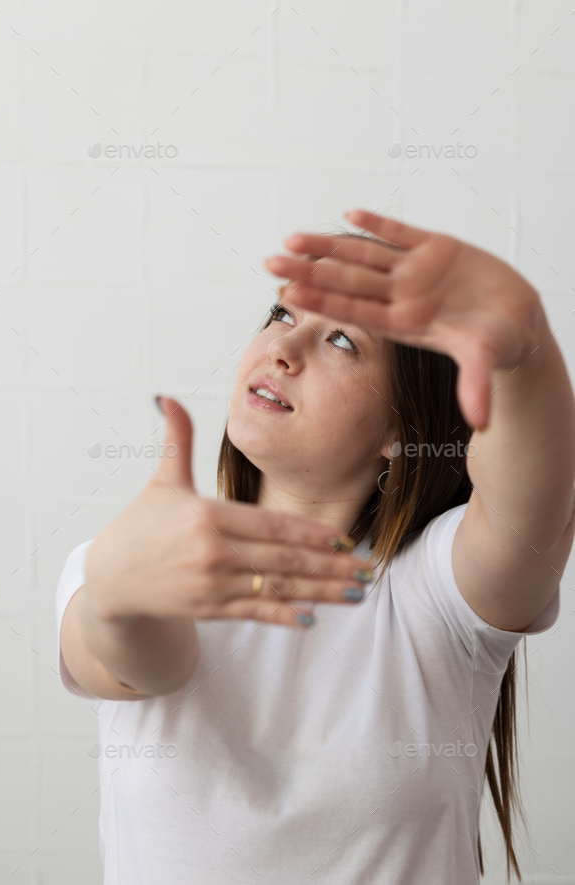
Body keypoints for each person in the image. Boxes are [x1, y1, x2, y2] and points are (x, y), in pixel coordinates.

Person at [56, 209, 575, 885]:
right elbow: (146, 659)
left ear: (400, 427)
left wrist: (524, 342)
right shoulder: (122, 562)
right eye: (280, 314)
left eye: (339, 339)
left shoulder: (438, 596)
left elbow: (534, 497)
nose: (282, 348)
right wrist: (117, 595)